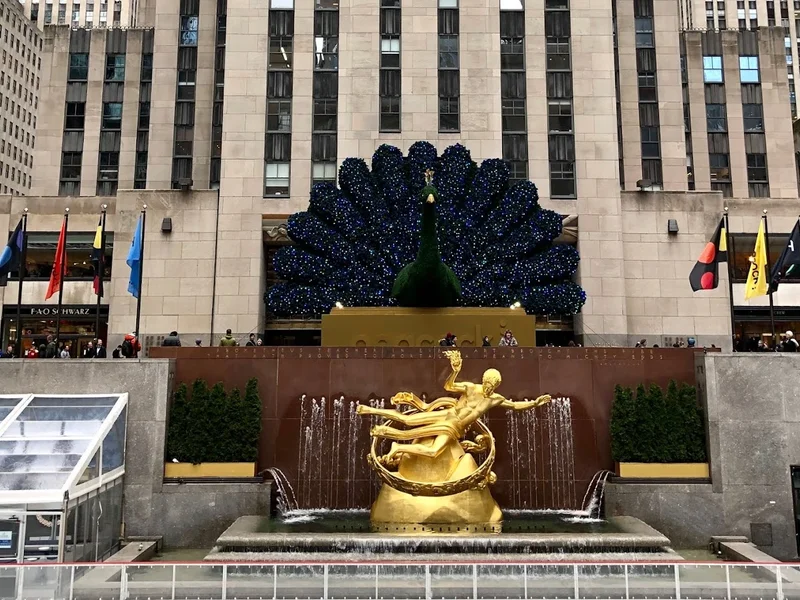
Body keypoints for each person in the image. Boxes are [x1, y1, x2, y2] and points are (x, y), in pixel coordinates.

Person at [357, 350, 551, 464]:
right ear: (483, 380)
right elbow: (448, 387)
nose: (488, 387)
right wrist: (454, 371)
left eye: (492, 385)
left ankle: (398, 446)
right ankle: (370, 410)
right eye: (486, 383)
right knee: (407, 419)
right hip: (448, 416)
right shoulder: (470, 388)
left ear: (497, 385)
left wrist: (534, 403)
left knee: (433, 452)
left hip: (455, 428)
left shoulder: (496, 399)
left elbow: (515, 405)